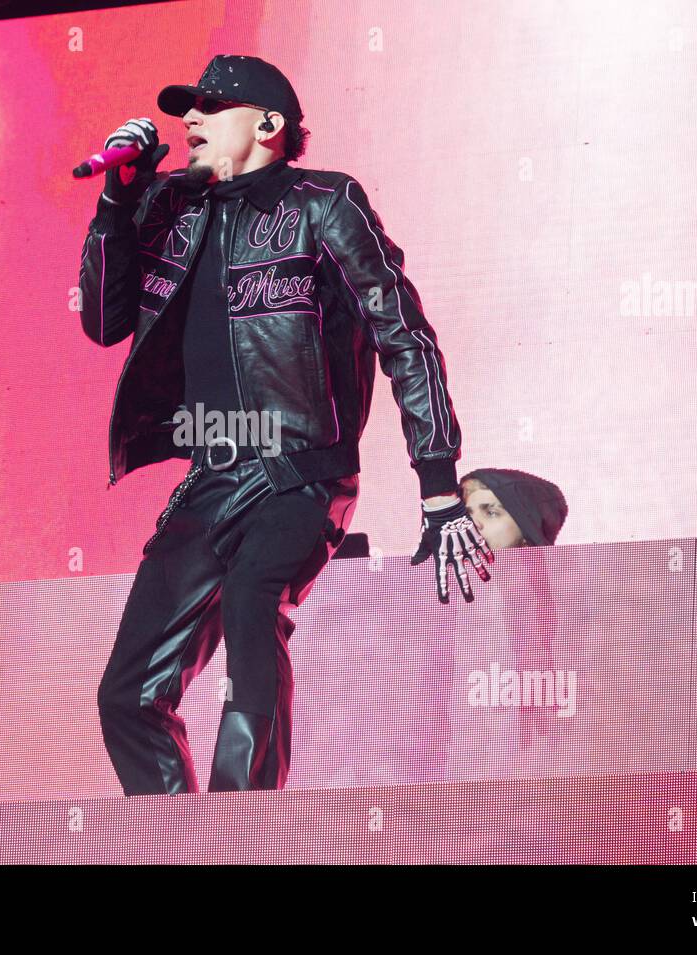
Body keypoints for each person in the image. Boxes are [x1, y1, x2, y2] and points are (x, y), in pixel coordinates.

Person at [79, 54, 495, 795]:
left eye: (211, 105)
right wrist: (118, 200)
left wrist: (437, 482)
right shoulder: (173, 207)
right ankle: (184, 847)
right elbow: (106, 320)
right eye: (187, 109)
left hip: (299, 470)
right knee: (127, 693)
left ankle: (245, 827)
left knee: (249, 607)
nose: (191, 121)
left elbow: (403, 333)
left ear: (269, 125)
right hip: (211, 479)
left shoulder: (323, 203)